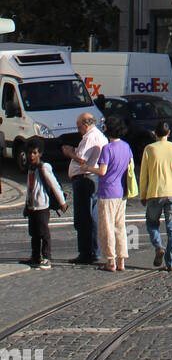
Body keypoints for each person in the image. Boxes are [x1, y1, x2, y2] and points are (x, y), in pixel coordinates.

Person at [139, 119, 172, 273]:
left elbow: (143, 175)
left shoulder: (149, 149)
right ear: (169, 133)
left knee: (152, 223)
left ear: (155, 134)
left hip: (154, 194)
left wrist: (143, 194)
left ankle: (158, 246)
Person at [62, 111, 107, 265]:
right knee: (92, 215)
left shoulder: (90, 137)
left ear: (86, 125)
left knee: (83, 217)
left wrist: (69, 152)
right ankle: (94, 250)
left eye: (79, 126)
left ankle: (87, 252)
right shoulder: (100, 136)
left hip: (85, 179)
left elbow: (82, 159)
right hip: (92, 179)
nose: (77, 129)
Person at [91, 116, 134, 273]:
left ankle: (111, 261)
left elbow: (102, 171)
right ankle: (121, 260)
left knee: (107, 227)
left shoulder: (107, 149)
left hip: (107, 191)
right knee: (119, 226)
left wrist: (88, 168)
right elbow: (130, 166)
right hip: (121, 192)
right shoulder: (126, 147)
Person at [22, 141, 66, 269]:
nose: (31, 156)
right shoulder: (30, 168)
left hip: (42, 206)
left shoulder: (44, 167)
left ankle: (47, 257)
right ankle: (35, 256)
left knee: (43, 233)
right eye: (30, 153)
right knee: (34, 233)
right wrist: (26, 205)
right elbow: (29, 188)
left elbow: (54, 184)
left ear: (40, 153)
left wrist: (62, 202)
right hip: (32, 206)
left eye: (34, 153)